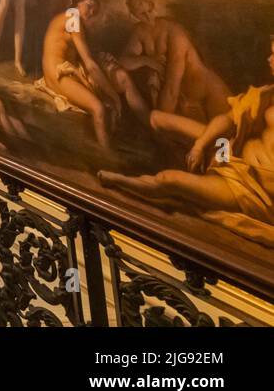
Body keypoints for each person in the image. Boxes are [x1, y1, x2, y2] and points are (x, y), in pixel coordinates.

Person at [98, 36, 274, 247]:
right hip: (231, 150)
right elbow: (229, 118)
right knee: (158, 119)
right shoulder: (268, 94)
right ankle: (173, 159)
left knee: (167, 180)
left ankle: (119, 181)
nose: (269, 59)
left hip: (251, 191)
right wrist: (200, 145)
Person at [41, 0, 147, 149]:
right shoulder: (73, 17)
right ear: (77, 3)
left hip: (62, 69)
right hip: (57, 72)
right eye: (89, 6)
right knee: (98, 109)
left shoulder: (70, 18)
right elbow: (89, 64)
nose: (90, 13)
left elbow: (80, 53)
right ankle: (106, 156)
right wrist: (113, 96)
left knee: (109, 85)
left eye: (94, 11)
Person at [120, 0, 232, 127]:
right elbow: (123, 60)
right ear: (132, 11)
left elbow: (172, 86)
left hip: (209, 95)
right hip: (185, 100)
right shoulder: (139, 32)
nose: (146, 15)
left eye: (147, 8)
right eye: (140, 12)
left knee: (223, 143)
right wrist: (146, 60)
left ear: (151, 3)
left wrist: (159, 122)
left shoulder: (174, 32)